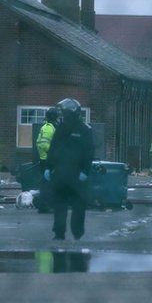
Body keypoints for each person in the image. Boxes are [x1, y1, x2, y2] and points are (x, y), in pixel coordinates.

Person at [44, 98, 94, 240]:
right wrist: (48, 167)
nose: (61, 115)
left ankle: (77, 232)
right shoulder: (60, 128)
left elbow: (89, 152)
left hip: (77, 174)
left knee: (79, 204)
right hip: (60, 173)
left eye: (63, 112)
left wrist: (85, 171)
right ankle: (59, 232)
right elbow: (53, 149)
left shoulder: (84, 130)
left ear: (70, 112)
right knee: (60, 204)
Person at [34, 107, 60, 213]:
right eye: (57, 116)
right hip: (48, 160)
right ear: (54, 117)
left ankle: (49, 204)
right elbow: (43, 144)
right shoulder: (48, 128)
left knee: (50, 184)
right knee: (47, 185)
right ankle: (44, 206)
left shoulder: (51, 126)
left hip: (50, 160)